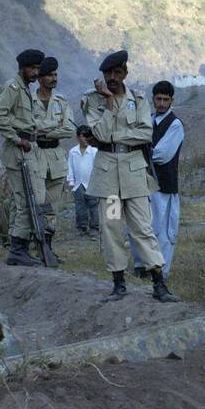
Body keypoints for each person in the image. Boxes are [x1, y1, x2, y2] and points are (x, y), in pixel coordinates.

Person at [80, 50, 178, 303]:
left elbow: (146, 134)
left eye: (117, 72)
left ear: (125, 73)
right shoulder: (92, 100)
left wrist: (113, 136)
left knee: (142, 228)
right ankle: (118, 283)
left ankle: (158, 283)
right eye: (107, 73)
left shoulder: (139, 100)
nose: (112, 77)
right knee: (111, 228)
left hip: (134, 172)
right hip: (108, 174)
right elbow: (99, 131)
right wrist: (110, 105)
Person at [0, 48, 52, 267]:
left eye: (38, 68)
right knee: (27, 200)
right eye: (33, 68)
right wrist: (18, 140)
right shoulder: (13, 87)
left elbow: (26, 120)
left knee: (27, 200)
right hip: (19, 151)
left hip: (28, 148)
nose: (36, 73)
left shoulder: (24, 89)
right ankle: (18, 249)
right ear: (23, 68)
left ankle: (21, 248)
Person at [131, 79, 183, 276]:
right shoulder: (149, 121)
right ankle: (142, 266)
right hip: (143, 183)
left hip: (164, 185)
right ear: (153, 99)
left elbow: (161, 154)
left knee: (164, 231)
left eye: (165, 100)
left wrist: (139, 150)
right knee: (142, 227)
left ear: (171, 101)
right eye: (158, 99)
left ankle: (161, 271)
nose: (161, 103)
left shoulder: (175, 124)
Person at [33, 56, 77, 243]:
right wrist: (53, 125)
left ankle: (48, 246)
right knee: (36, 202)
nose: (54, 78)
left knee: (51, 205)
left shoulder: (61, 102)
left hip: (56, 157)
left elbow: (69, 129)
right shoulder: (29, 101)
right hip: (35, 155)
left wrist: (44, 131)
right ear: (40, 78)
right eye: (50, 75)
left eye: (55, 74)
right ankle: (31, 242)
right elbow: (29, 127)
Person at [67, 124, 100, 236]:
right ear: (78, 137)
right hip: (78, 184)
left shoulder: (94, 151)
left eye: (88, 136)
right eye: (83, 136)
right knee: (80, 207)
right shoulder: (73, 152)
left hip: (91, 183)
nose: (86, 139)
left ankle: (95, 227)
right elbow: (70, 166)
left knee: (94, 206)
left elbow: (97, 167)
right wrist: (71, 180)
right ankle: (82, 227)